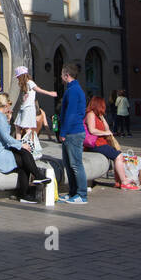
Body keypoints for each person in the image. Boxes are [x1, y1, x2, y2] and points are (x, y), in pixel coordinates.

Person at [0, 92, 49, 203]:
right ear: (5, 105)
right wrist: (21, 144)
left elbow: (4, 135)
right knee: (24, 155)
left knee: (24, 159)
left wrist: (8, 120)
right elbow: (6, 137)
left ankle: (24, 192)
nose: (9, 107)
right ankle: (35, 179)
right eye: (9, 104)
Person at [58, 62, 87, 204]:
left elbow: (71, 114)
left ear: (66, 75)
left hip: (73, 132)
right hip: (71, 131)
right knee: (69, 164)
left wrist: (63, 132)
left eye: (61, 75)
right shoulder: (71, 89)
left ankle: (82, 194)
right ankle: (73, 193)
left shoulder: (74, 90)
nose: (60, 77)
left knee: (75, 164)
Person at [84, 95, 129, 187]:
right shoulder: (90, 114)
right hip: (95, 144)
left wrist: (103, 118)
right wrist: (105, 133)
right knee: (118, 156)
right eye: (102, 106)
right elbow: (92, 130)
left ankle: (119, 181)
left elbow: (107, 128)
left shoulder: (98, 116)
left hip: (101, 143)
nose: (104, 108)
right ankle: (124, 181)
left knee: (118, 154)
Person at [11, 66, 56, 146]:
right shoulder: (24, 85)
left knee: (27, 128)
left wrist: (50, 93)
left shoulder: (30, 83)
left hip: (28, 108)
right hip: (24, 108)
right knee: (17, 125)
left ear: (22, 76)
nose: (17, 78)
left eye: (18, 76)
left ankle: (30, 145)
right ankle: (18, 144)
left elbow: (39, 90)